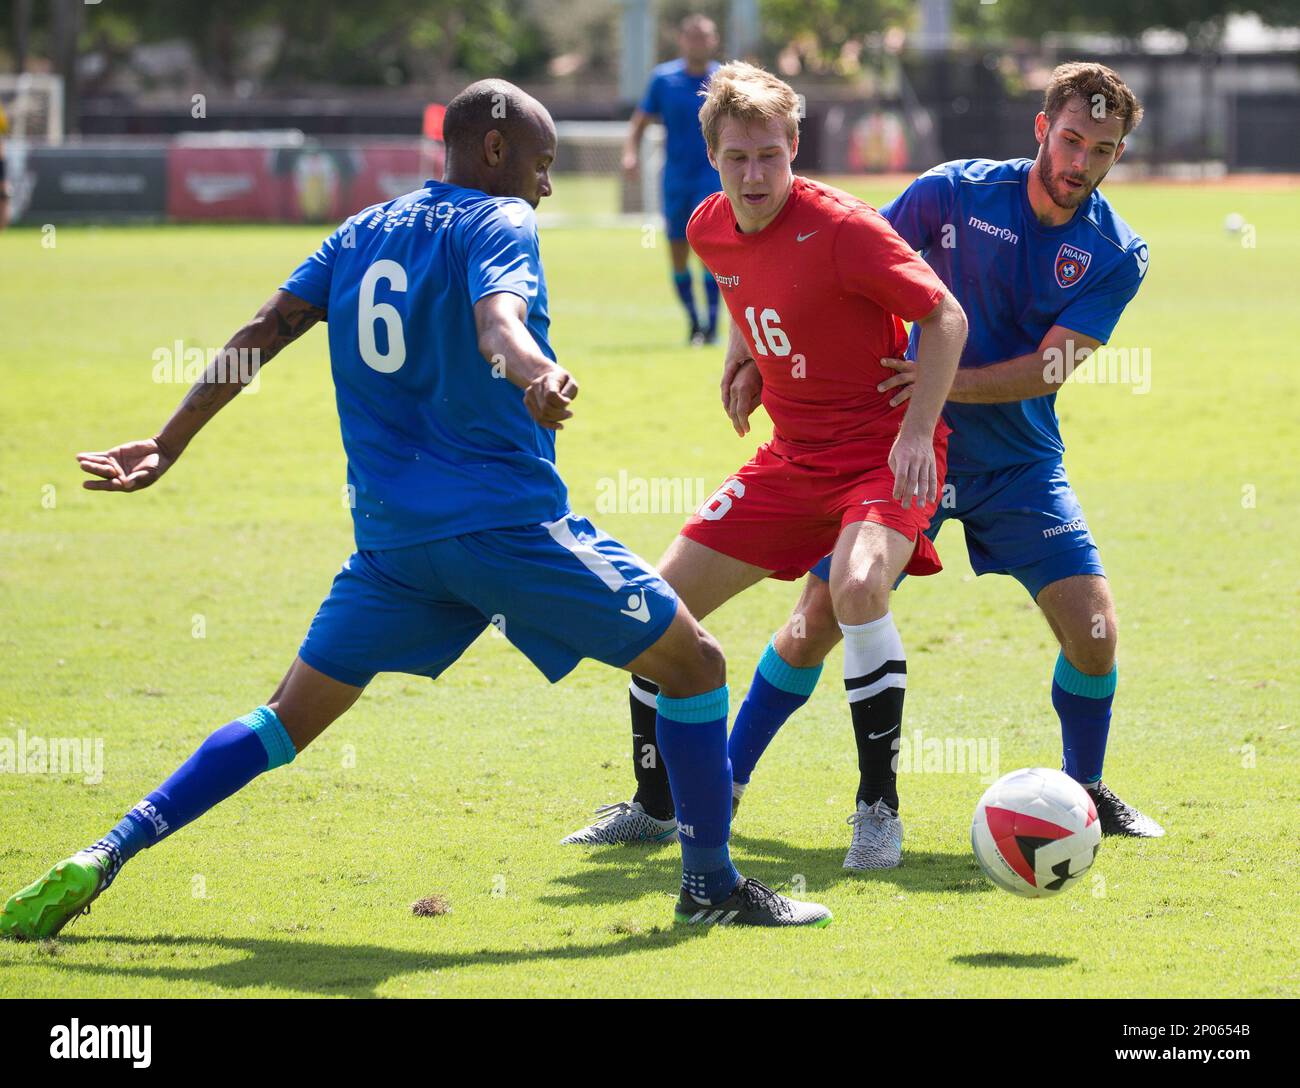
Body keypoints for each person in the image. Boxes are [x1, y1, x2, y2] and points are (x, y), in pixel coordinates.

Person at [0, 79, 830, 939]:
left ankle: (108, 850)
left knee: (285, 718)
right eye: (543, 165)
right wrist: (535, 372)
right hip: (506, 530)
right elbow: (498, 325)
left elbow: (263, 329)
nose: (547, 186)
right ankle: (710, 886)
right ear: (497, 151)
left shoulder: (359, 230)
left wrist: (168, 441)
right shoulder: (498, 221)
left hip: (393, 550)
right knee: (692, 661)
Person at [588, 61, 1165, 855]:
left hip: (1012, 461)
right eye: (1070, 139)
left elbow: (1053, 366)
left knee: (1094, 631)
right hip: (885, 440)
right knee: (815, 620)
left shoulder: (1116, 252)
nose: (1079, 162)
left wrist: (935, 386)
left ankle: (1085, 797)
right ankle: (724, 779)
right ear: (1042, 129)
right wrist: (753, 350)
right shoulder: (950, 192)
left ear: (1118, 155)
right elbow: (799, 265)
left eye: (1101, 150)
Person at [563, 62, 968, 873]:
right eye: (738, 157)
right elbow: (754, 288)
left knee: (856, 590)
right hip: (791, 459)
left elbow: (945, 318)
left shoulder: (847, 227)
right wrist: (745, 353)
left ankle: (877, 811)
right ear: (712, 154)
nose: (755, 175)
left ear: (795, 148)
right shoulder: (709, 224)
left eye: (771, 157)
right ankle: (654, 806)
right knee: (656, 605)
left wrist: (919, 432)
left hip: (879, 455)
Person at [623, 14, 723, 345]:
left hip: (713, 177)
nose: (699, 42)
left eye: (705, 36)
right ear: (682, 40)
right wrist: (631, 153)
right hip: (675, 179)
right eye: (693, 35)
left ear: (714, 41)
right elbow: (640, 121)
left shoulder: (723, 79)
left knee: (710, 251)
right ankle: (694, 323)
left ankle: (712, 326)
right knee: (678, 252)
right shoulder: (663, 79)